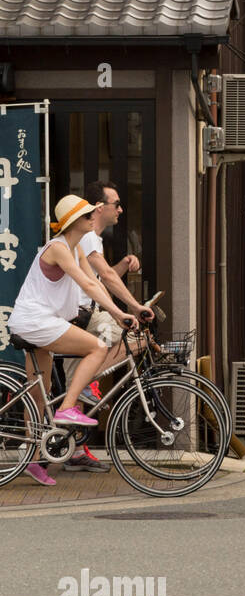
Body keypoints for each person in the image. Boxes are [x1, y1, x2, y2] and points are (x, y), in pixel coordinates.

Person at [6, 194, 138, 487]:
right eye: (88, 214)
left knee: (39, 394)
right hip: (36, 322)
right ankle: (68, 408)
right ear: (74, 222)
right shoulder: (58, 248)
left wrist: (123, 310)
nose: (94, 216)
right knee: (97, 347)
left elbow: (95, 284)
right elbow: (88, 283)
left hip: (37, 322)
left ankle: (32, 459)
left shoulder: (74, 248)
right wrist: (119, 314)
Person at [60, 181, 153, 471]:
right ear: (100, 208)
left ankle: (73, 448)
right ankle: (84, 386)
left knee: (75, 392)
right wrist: (133, 308)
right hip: (81, 317)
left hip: (86, 314)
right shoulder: (86, 237)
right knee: (137, 339)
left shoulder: (91, 239)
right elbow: (104, 282)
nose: (121, 210)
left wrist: (123, 266)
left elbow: (100, 281)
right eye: (117, 204)